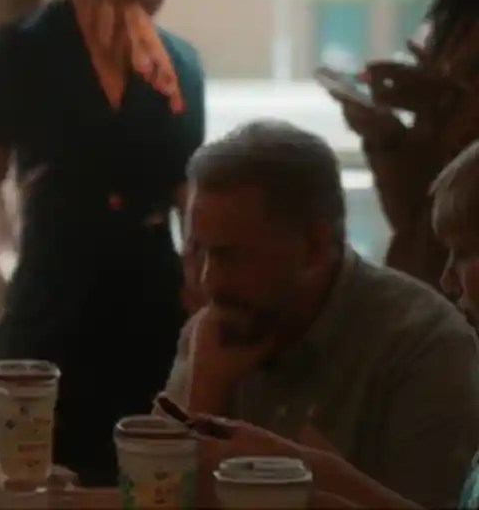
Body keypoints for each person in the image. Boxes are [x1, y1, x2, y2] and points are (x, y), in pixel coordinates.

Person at [0, 0, 204, 485]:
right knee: (40, 472)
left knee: (146, 474)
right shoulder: (22, 49)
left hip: (152, 301)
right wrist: (13, 264)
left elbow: (191, 197)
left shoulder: (180, 66)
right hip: (53, 289)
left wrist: (199, 277)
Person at [167, 119, 479, 508]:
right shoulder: (220, 328)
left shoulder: (425, 347)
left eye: (232, 256)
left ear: (314, 247)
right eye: (198, 251)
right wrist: (207, 393)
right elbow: (154, 493)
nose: (209, 280)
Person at [334, 0, 479, 289]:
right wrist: (387, 136)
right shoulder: (455, 28)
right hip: (432, 291)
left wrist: (446, 101)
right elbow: (417, 212)